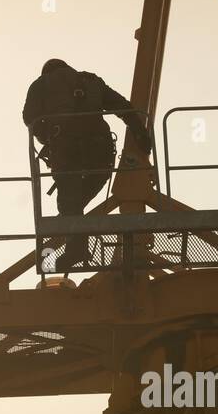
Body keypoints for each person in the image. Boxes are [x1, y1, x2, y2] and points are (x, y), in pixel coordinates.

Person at [22, 59, 151, 271]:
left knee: (68, 199)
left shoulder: (41, 84)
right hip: (100, 151)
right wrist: (141, 133)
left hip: (67, 151)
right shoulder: (90, 81)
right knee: (78, 198)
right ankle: (72, 228)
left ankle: (76, 245)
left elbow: (30, 118)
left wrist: (47, 137)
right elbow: (123, 107)